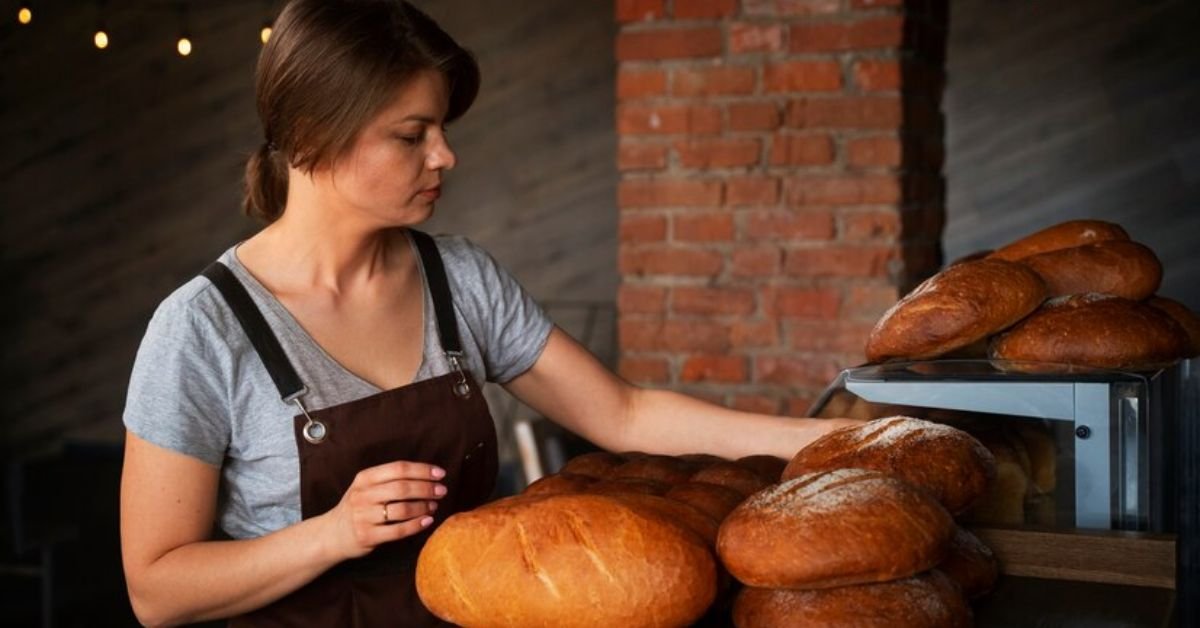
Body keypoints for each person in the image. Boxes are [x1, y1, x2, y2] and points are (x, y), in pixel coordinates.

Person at [118, 1, 860, 625]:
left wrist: (831, 443)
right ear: (313, 136)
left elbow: (625, 414)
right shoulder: (201, 330)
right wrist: (333, 534)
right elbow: (156, 590)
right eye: (412, 136)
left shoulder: (459, 278)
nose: (444, 157)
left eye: (441, 130)